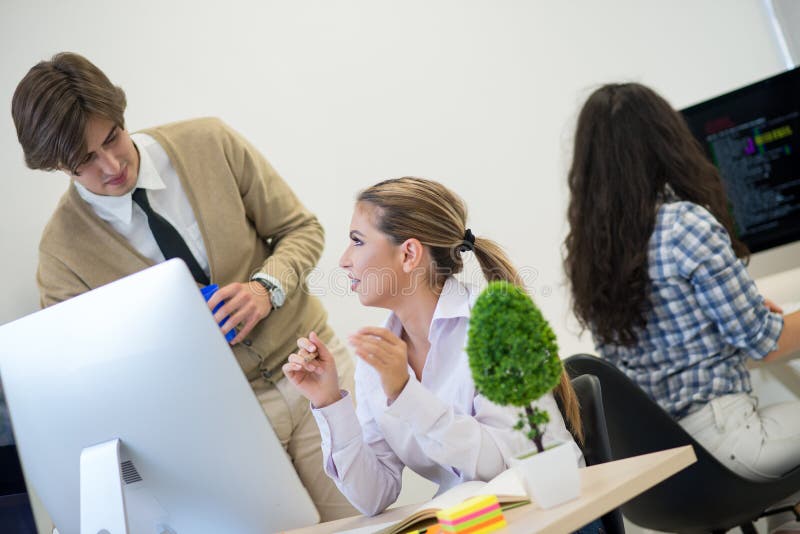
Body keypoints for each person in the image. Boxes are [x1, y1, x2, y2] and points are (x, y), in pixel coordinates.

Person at [11, 52, 356, 521]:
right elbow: (88, 386)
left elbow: (301, 229)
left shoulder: (210, 142)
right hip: (220, 428)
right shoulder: (61, 253)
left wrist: (265, 288)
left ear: (120, 114)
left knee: (367, 521)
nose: (112, 164)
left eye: (113, 137)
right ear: (56, 166)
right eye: (84, 161)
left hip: (316, 370)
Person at [563, 83, 800, 531]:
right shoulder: (685, 224)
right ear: (665, 142)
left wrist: (746, 314)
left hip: (660, 474)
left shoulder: (593, 254)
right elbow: (766, 344)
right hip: (727, 442)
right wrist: (765, 320)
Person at [282, 177, 589, 520]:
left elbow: (500, 469)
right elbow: (374, 496)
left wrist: (405, 392)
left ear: (409, 253)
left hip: (555, 515)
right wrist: (329, 401)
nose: (343, 260)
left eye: (357, 241)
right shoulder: (378, 358)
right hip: (479, 520)